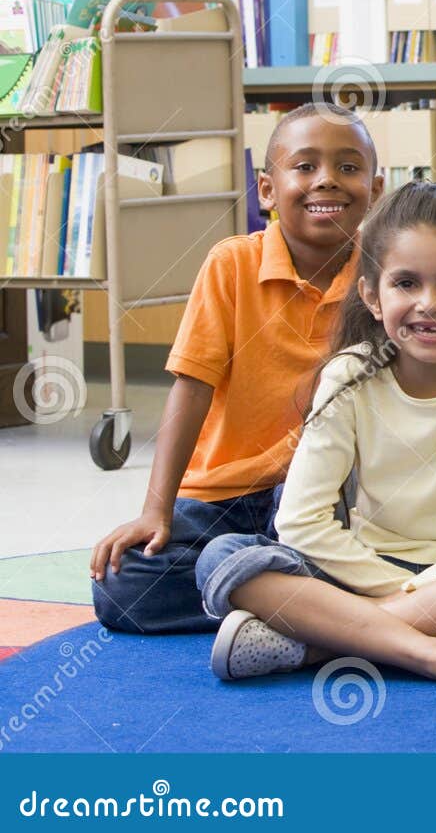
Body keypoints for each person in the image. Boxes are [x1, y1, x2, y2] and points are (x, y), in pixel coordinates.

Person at [196, 183, 436, 693]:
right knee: (224, 556)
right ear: (370, 294)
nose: (429, 304)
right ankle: (434, 655)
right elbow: (299, 524)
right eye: (406, 283)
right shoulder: (350, 374)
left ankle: (316, 643)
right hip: (360, 569)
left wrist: (382, 605)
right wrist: (399, 592)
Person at [90, 104, 384, 633]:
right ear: (267, 190)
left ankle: (267, 593)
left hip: (321, 497)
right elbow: (192, 387)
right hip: (222, 497)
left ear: (376, 189)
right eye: (304, 166)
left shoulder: (387, 275)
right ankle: (299, 602)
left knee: (364, 539)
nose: (327, 182)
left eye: (348, 167)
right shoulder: (231, 264)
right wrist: (155, 511)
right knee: (122, 583)